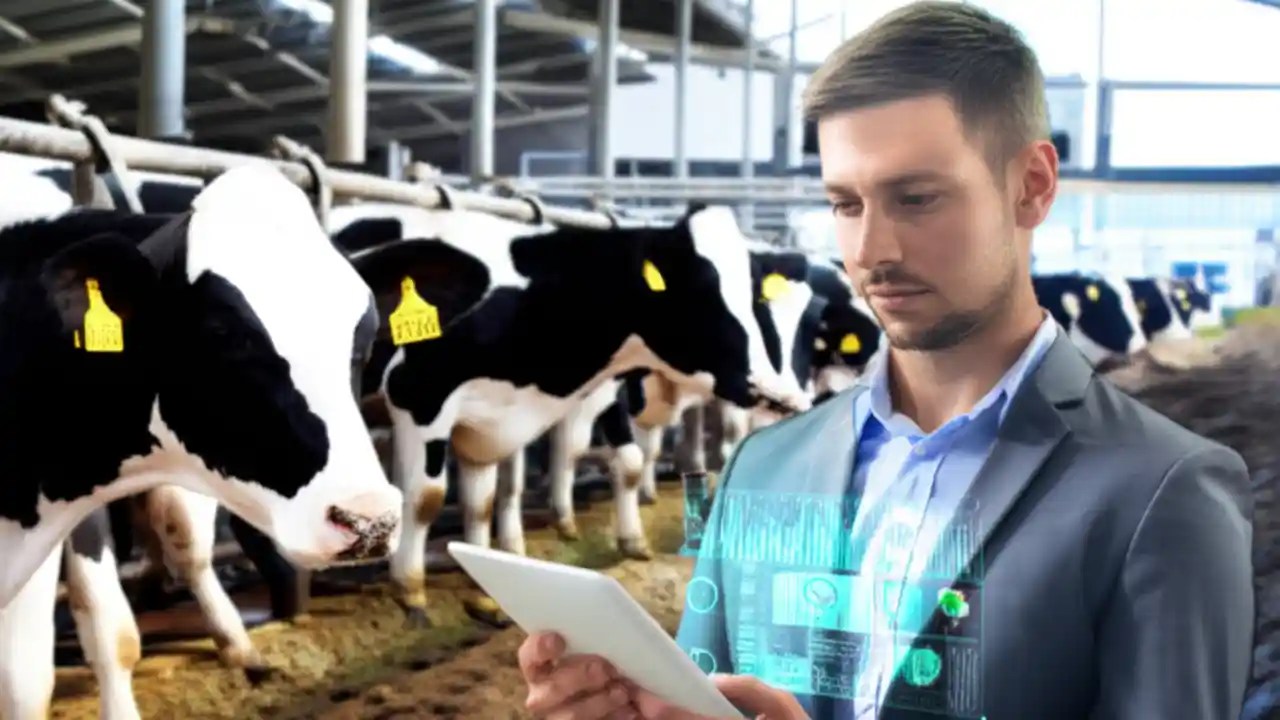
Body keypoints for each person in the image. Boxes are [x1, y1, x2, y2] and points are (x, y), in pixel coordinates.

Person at [515, 2, 1256, 718]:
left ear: (1031, 186)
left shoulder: (1166, 493)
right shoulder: (761, 467)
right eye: (846, 204)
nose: (871, 253)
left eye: (917, 198)